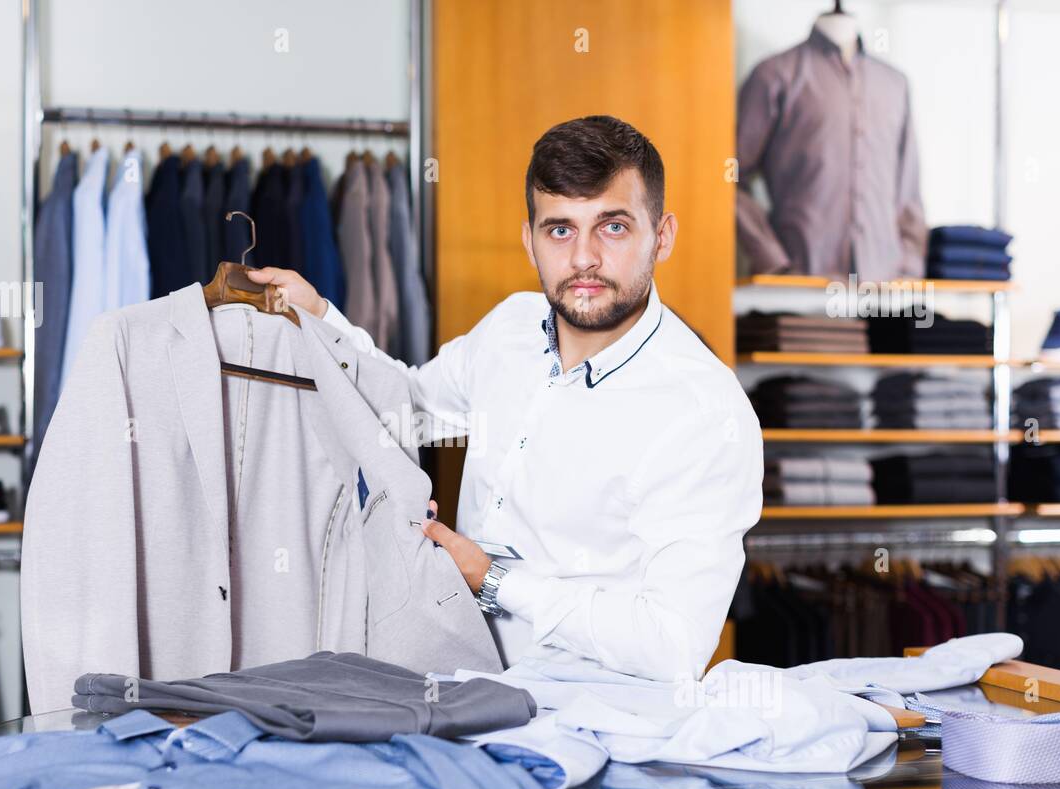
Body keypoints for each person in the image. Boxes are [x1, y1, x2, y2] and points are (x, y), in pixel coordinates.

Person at [248, 114, 763, 681]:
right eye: (560, 230)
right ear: (530, 240)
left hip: (596, 722)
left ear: (661, 236)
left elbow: (672, 644)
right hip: (457, 684)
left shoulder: (705, 412)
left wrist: (495, 582)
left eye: (612, 227)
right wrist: (321, 317)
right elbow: (410, 410)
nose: (584, 257)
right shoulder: (510, 327)